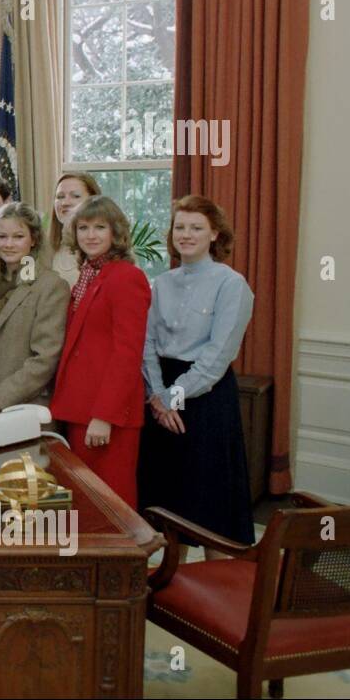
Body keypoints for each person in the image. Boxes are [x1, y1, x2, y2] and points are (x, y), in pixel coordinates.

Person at [139, 196, 255, 547]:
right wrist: (157, 397)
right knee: (168, 498)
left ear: (215, 234)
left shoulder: (231, 284)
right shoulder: (161, 283)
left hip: (206, 399)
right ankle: (173, 584)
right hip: (160, 393)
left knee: (209, 505)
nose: (186, 235)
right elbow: (147, 345)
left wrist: (172, 398)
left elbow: (218, 356)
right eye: (180, 227)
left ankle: (214, 586)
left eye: (196, 228)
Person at [49, 196, 151, 507]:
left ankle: (126, 558)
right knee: (86, 503)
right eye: (83, 228)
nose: (90, 235)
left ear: (115, 232)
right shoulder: (90, 274)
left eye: (99, 227)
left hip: (107, 415)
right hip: (80, 407)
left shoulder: (126, 276)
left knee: (112, 505)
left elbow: (127, 354)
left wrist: (104, 416)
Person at [0, 202, 69, 416]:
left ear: (33, 240)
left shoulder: (51, 286)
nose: (9, 244)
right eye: (2, 236)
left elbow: (45, 359)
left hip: (25, 411)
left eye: (18, 236)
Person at [48, 172, 102, 287]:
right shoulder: (43, 249)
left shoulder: (112, 249)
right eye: (60, 197)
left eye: (75, 196)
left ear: (94, 201)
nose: (65, 203)